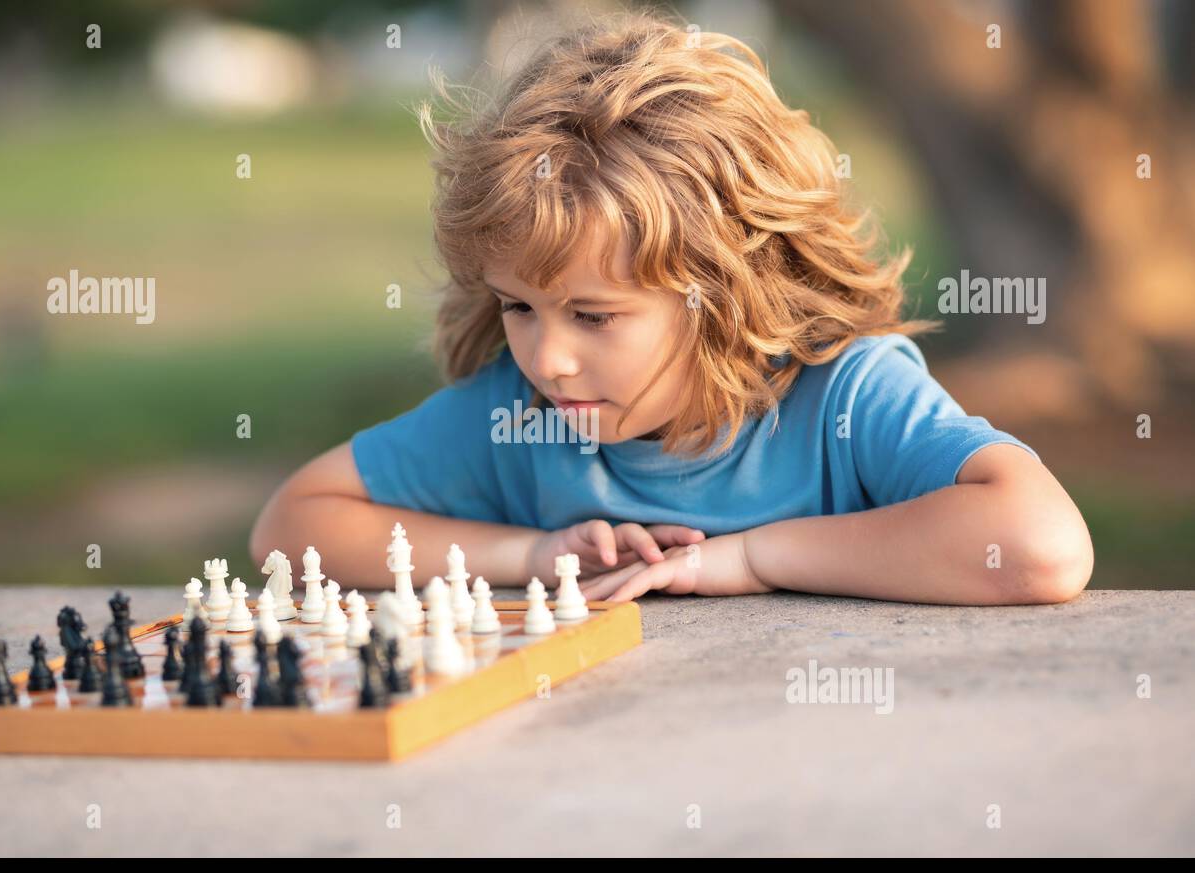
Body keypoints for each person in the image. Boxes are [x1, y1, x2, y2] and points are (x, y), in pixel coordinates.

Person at [250, 12, 1092, 605]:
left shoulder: (845, 398)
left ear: (725, 295)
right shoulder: (522, 415)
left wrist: (757, 556)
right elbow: (290, 526)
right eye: (518, 307)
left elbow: (1040, 547)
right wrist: (532, 554)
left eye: (593, 315)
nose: (547, 359)